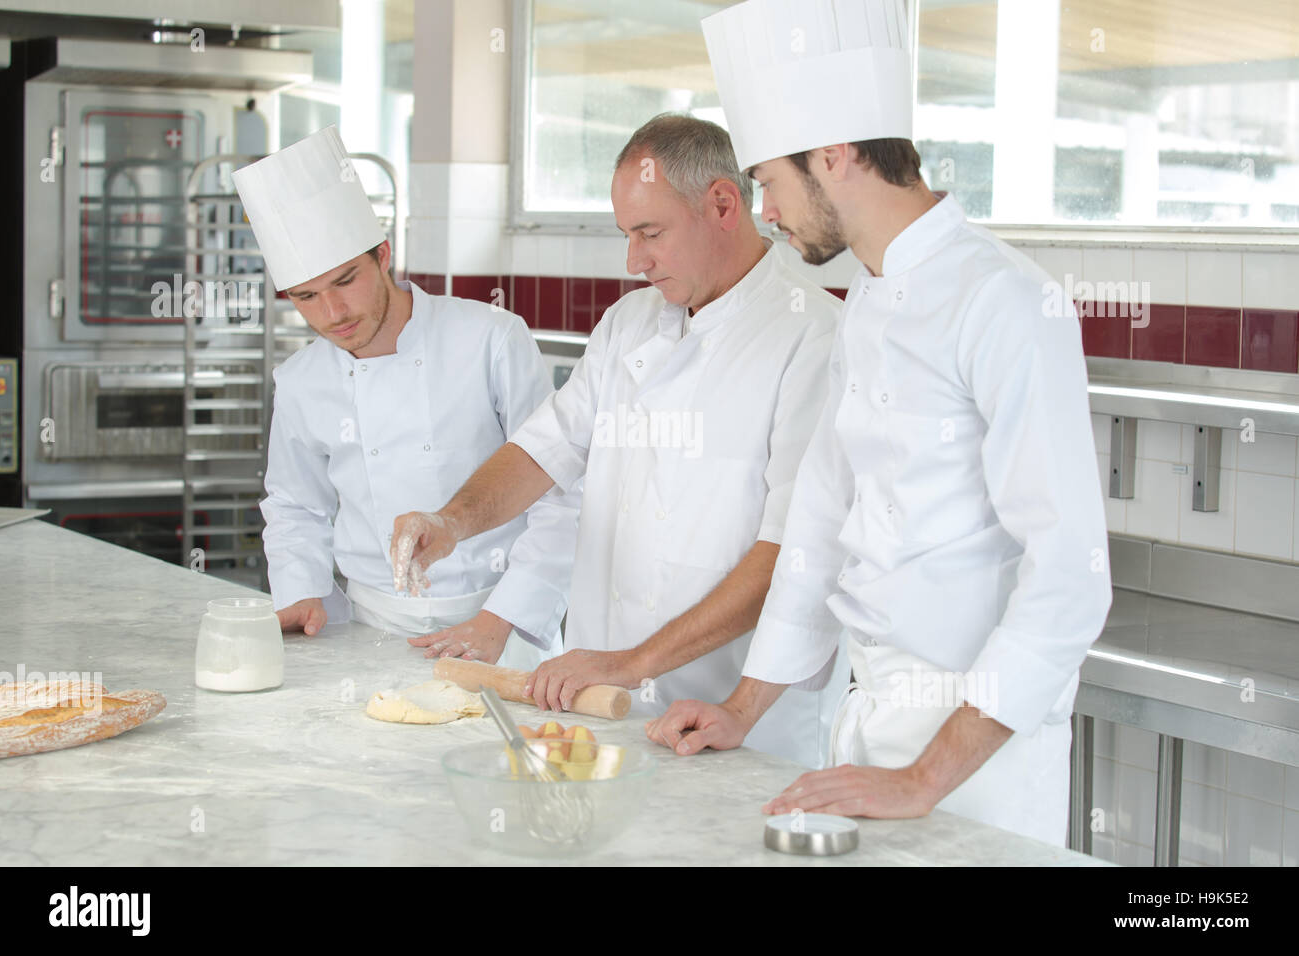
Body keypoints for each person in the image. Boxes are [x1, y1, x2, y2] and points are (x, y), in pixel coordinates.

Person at [645, 0, 1112, 844]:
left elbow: (1071, 579)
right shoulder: (865, 297)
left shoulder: (1005, 301)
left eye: (769, 183)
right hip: (869, 721)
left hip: (979, 755)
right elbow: (820, 521)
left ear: (833, 155)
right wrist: (742, 710)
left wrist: (925, 778)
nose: (765, 211)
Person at [390, 114, 849, 767]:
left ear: (722, 203)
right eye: (627, 235)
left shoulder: (815, 338)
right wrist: (452, 520)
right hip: (603, 701)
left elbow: (790, 550)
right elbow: (544, 448)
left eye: (650, 233)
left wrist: (631, 662)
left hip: (736, 721)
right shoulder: (628, 324)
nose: (635, 261)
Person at [232, 126, 574, 670]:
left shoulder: (490, 338)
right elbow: (297, 505)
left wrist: (504, 616)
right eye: (306, 297)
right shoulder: (300, 379)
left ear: (383, 255)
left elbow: (559, 488)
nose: (332, 314)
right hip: (372, 631)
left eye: (345, 281)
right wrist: (301, 591)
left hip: (502, 628)